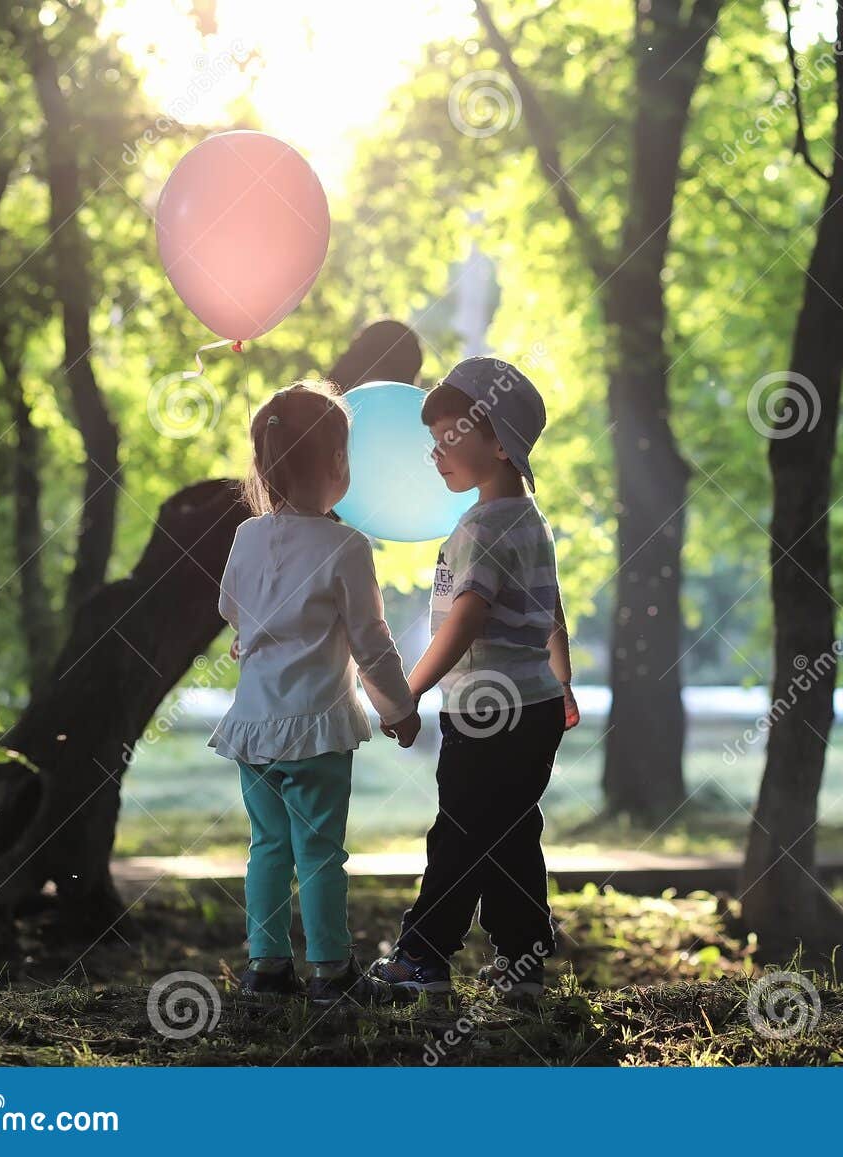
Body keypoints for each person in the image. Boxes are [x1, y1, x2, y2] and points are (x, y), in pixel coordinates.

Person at [370, 356, 578, 1001]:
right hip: (534, 707)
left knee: (460, 833)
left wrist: (408, 692)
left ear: (498, 440)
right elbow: (553, 612)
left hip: (486, 710)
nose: (437, 454)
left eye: (450, 438)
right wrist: (562, 683)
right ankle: (521, 964)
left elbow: (465, 618)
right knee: (513, 833)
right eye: (433, 442)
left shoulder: (482, 527)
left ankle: (423, 958)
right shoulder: (531, 520)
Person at [210, 380, 422, 1006]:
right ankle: (331, 971)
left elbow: (232, 609)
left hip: (254, 727)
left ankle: (266, 968)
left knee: (267, 849)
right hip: (318, 730)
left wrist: (256, 632)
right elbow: (371, 642)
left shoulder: (246, 536)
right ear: (336, 463)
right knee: (321, 853)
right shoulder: (346, 547)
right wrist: (400, 707)